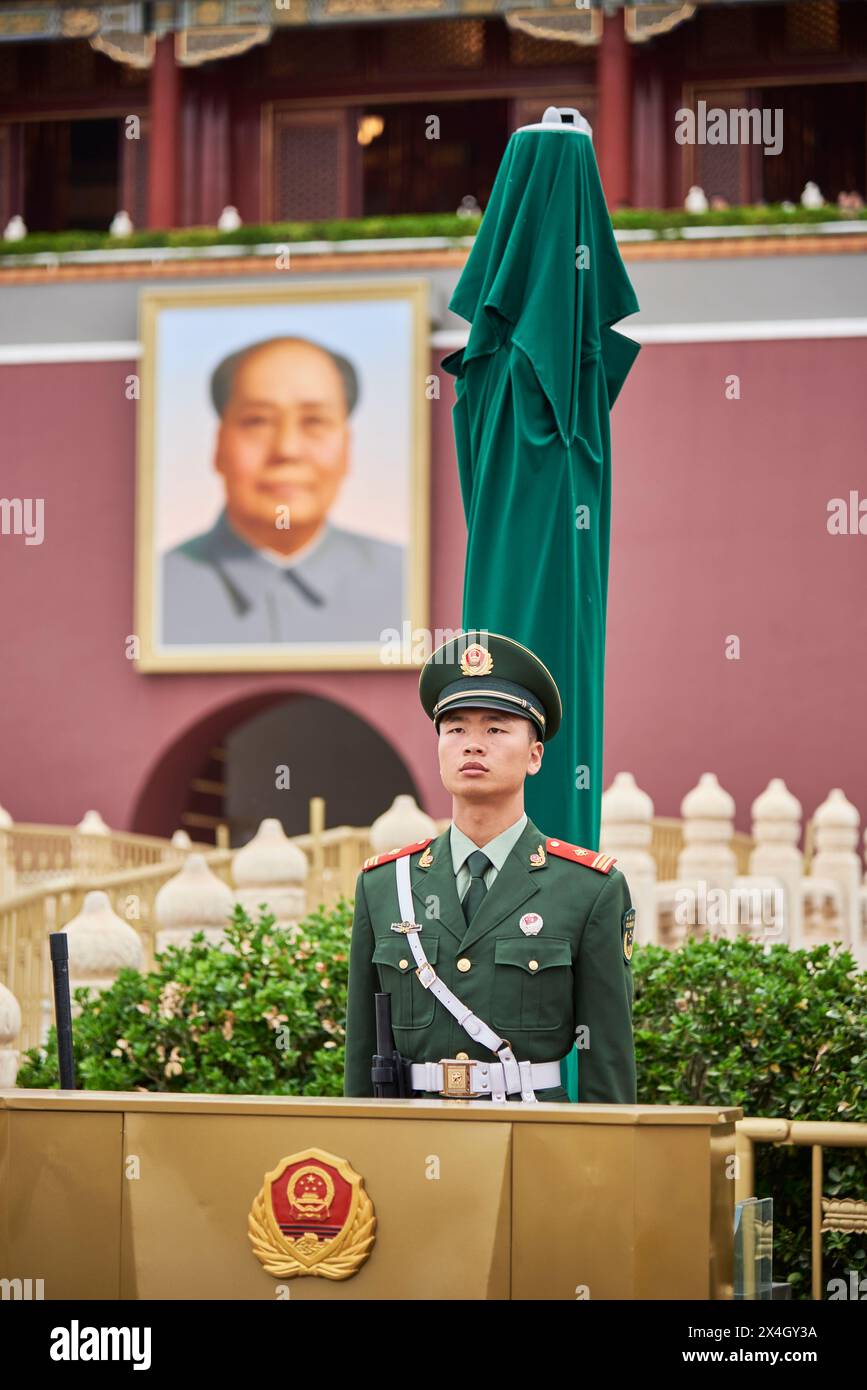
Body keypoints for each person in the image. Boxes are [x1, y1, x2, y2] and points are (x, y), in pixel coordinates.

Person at [343, 629, 637, 1104]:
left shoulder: (587, 889)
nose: (472, 744)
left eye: (495, 729)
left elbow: (607, 1058)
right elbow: (360, 1051)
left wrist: (597, 1172)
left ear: (535, 755)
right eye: (455, 729)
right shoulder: (384, 885)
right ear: (439, 747)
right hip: (411, 1137)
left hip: (533, 1138)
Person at [160, 335, 405, 645]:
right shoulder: (156, 590)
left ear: (347, 447)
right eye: (258, 421)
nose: (287, 449)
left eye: (314, 421)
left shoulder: (407, 581)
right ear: (219, 445)